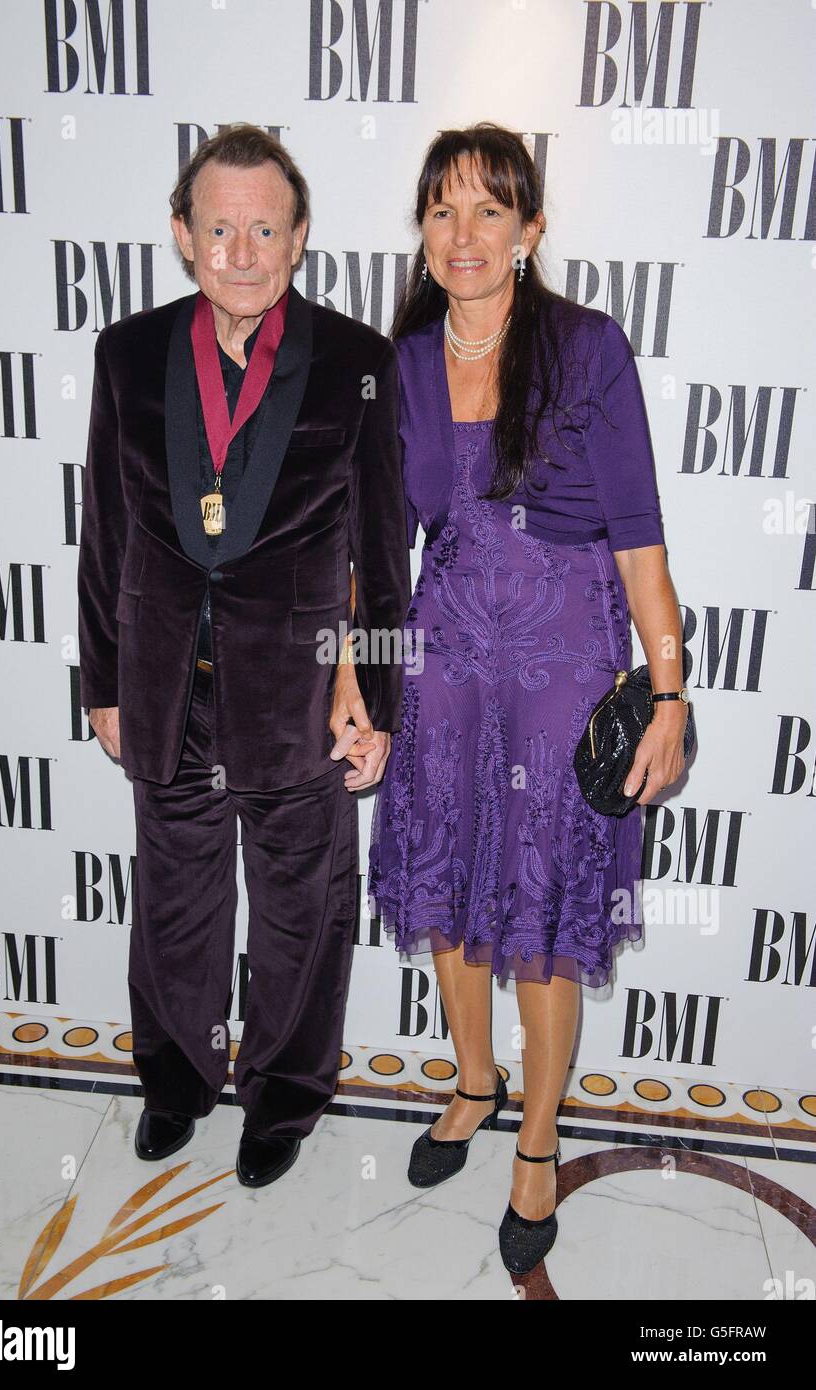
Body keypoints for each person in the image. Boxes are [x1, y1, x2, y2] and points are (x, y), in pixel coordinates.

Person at [367, 123, 691, 1275]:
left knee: (546, 916)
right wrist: (357, 690)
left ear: (529, 230)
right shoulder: (400, 364)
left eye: (489, 211)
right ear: (422, 227)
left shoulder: (586, 349)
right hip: (445, 665)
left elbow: (640, 534)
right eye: (443, 210)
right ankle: (472, 1079)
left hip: (563, 667)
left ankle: (540, 1136)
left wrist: (666, 690)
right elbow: (372, 544)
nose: (463, 235)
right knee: (450, 890)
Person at [77, 125, 410, 1187]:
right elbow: (107, 529)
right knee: (174, 904)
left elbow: (384, 546)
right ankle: (175, 1080)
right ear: (183, 236)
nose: (242, 251)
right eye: (218, 228)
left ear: (300, 235)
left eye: (265, 227)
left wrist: (385, 699)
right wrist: (101, 681)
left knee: (302, 910)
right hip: (162, 686)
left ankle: (285, 1096)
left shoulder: (358, 362)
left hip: (302, 695)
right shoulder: (127, 353)